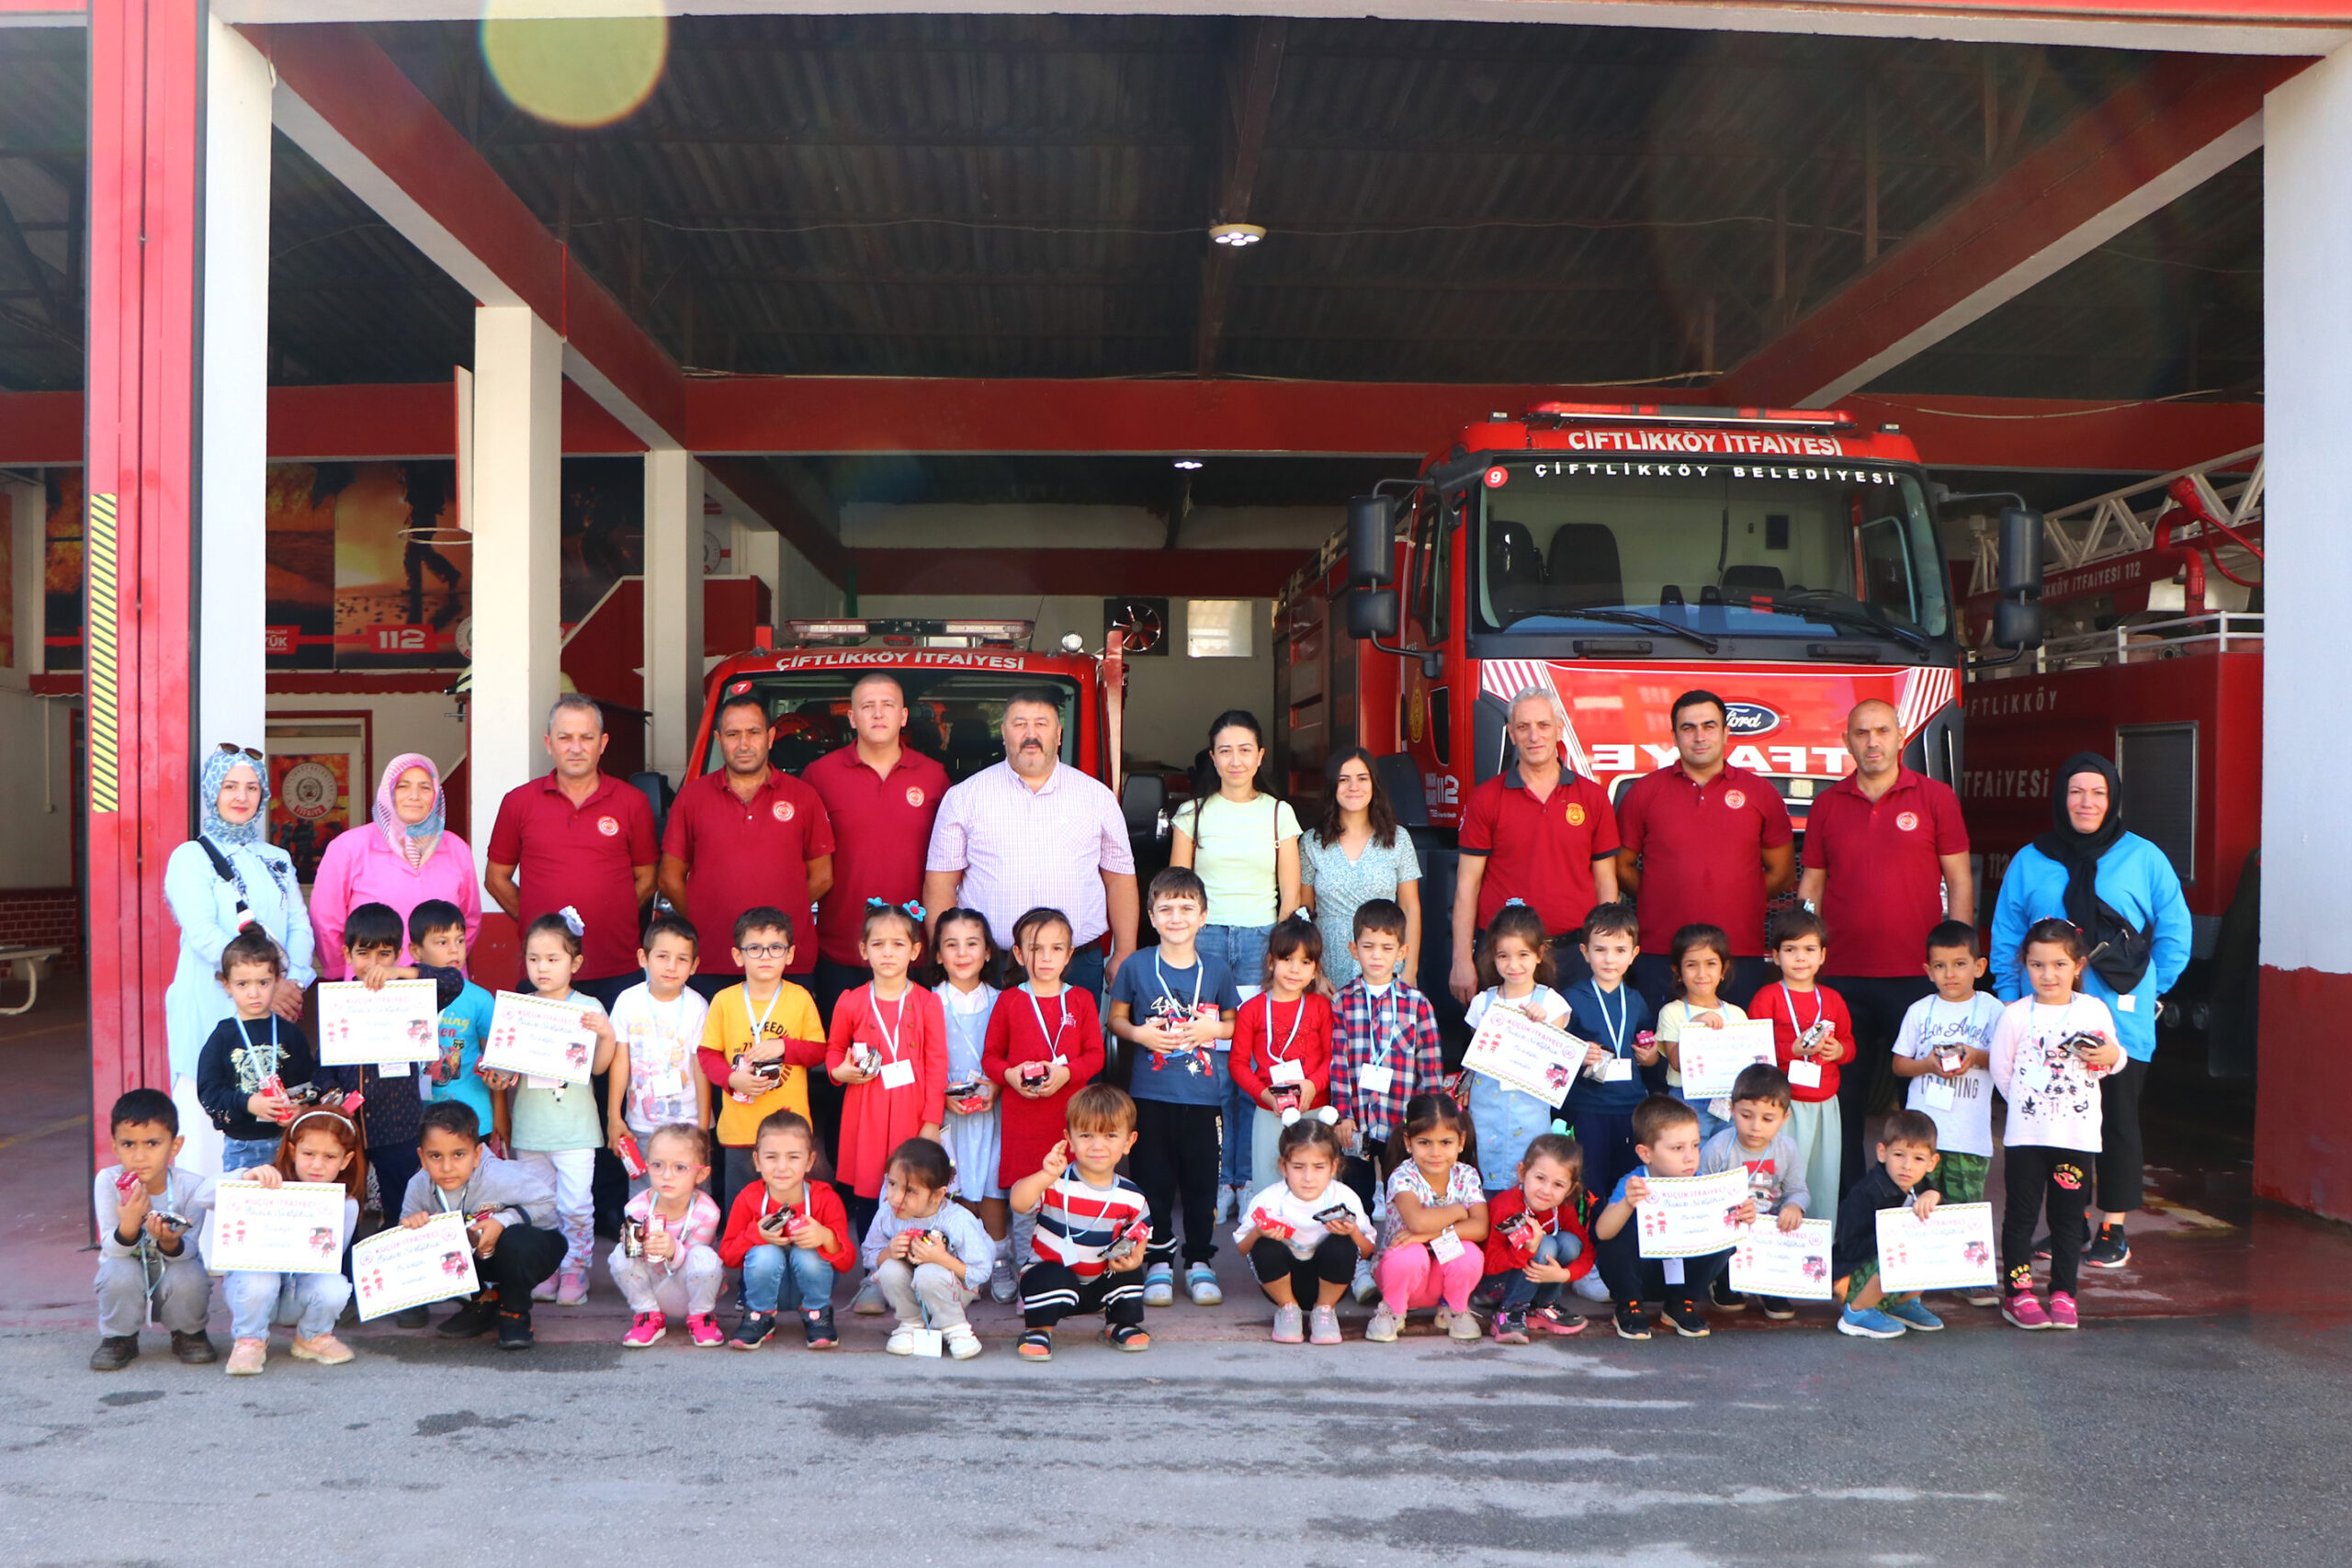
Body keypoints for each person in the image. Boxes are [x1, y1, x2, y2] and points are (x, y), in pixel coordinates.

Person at [1989, 752, 2190, 1270]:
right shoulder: (2030, 860)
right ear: (2061, 796)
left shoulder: (2144, 857)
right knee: (2057, 1126)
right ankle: (2068, 1223)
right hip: (2045, 1020)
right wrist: (2016, 1002)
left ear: (2113, 798)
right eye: (2077, 791)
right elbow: (2009, 933)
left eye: (2098, 792)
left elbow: (2174, 930)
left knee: (2118, 1121)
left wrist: (2150, 988)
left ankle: (2113, 1227)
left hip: (2119, 1021)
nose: (2087, 802)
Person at [1797, 699, 1973, 1197]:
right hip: (1842, 978)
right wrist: (1804, 955)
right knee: (1842, 1100)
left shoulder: (1936, 797)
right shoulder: (1828, 804)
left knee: (1916, 1103)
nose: (1871, 742)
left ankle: (1918, 1207)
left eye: (1881, 731)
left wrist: (1955, 962)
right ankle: (1850, 1203)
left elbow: (1959, 879)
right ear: (1847, 741)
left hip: (1915, 978)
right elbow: (1811, 884)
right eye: (1860, 733)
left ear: (1900, 737)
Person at [802, 673, 951, 1166]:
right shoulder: (819, 775)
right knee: (846, 1069)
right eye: (868, 705)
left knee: (911, 1069)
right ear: (852, 716)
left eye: (889, 705)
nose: (879, 713)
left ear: (905, 716)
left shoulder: (933, 778)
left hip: (913, 954)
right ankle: (849, 1175)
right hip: (842, 948)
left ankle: (908, 1171)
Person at [922, 688, 1139, 1000]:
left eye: (1042, 723)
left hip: (1076, 965)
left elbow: (1119, 880)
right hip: (991, 966)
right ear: (1004, 733)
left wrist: (1125, 952)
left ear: (1059, 734)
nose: (1031, 734)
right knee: (992, 1051)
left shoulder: (1097, 798)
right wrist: (945, 961)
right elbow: (940, 884)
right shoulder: (965, 797)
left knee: (1075, 1051)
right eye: (1020, 723)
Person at [164, 744, 315, 1183]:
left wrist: (292, 983)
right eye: (230, 786)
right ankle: (203, 1245)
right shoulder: (190, 857)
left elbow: (298, 926)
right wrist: (265, 978)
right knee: (208, 1126)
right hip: (212, 1004)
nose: (241, 796)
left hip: (270, 1006)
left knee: (266, 1133)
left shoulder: (277, 858)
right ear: (212, 793)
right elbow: (204, 934)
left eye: (252, 787)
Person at [1172, 711, 1299, 1207]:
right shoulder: (1193, 813)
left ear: (1260, 755)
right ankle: (1217, 1178)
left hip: (1259, 943)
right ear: (1212, 756)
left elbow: (1289, 895)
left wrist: (1276, 949)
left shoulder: (1277, 813)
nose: (1235, 760)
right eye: (1225, 750)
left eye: (1245, 749)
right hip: (1203, 944)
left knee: (1252, 1063)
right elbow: (1176, 892)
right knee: (1209, 1066)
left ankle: (1246, 1179)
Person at [1105, 866, 1239, 1310]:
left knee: (1202, 1183)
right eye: (1166, 909)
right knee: (1152, 1182)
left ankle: (1200, 1259)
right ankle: (1158, 1259)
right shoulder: (1137, 965)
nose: (1176, 917)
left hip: (1203, 1100)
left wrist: (1211, 1028)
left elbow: (1236, 1024)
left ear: (1203, 916)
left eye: (1186, 908)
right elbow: (1117, 1019)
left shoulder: (1217, 970)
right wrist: (1141, 1035)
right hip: (1151, 1095)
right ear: (1151, 916)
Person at [1615, 690, 1795, 1010]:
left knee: (1737, 1054)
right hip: (1662, 953)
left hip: (1737, 953)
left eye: (1709, 726)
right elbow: (1621, 866)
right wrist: (1660, 893)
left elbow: (1782, 873)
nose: (1699, 736)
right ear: (1674, 735)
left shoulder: (1760, 793)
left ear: (1726, 732)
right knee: (1660, 1053)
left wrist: (1740, 894)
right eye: (1688, 728)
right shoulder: (1645, 792)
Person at [1991, 919, 2125, 1332]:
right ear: (2024, 966)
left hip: (2076, 1138)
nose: (2047, 975)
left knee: (2069, 1219)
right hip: (2027, 1138)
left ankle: (2065, 1293)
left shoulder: (2093, 1010)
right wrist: (2034, 1110)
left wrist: (2107, 1054)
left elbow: (2115, 1060)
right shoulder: (2014, 1015)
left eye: (2058, 965)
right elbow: (2002, 1072)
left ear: (2078, 966)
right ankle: (2018, 1294)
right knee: (2021, 1216)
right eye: (2036, 965)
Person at [484, 694, 659, 1009]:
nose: (576, 748)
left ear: (603, 743)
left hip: (617, 968)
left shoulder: (632, 802)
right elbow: (496, 879)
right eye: (565, 738)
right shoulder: (519, 803)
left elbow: (648, 878)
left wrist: (612, 913)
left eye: (586, 737)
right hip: (544, 970)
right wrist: (537, 925)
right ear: (549, 743)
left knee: (616, 1059)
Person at [660, 689, 835, 998]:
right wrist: (704, 919)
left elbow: (822, 877)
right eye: (733, 734)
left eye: (753, 733)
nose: (743, 744)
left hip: (786, 962)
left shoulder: (803, 796)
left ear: (769, 737)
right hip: (713, 961)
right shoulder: (691, 798)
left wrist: (782, 915)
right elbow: (670, 878)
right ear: (718, 739)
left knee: (787, 1047)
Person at [1451, 688, 1620, 1000]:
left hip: (1575, 955)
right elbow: (1467, 885)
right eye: (1523, 727)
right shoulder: (1487, 799)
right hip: (1505, 957)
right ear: (1511, 734)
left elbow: (1605, 882)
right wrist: (1461, 959)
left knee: (1584, 1047)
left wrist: (1605, 952)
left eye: (1543, 725)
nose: (1534, 736)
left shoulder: (1592, 797)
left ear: (1559, 729)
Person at [319, 901, 458, 1251]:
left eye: (385, 954)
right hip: (349, 1129)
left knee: (404, 1209)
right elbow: (322, 1063)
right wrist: (330, 1090)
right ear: (347, 954)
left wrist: (405, 974)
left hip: (398, 1126)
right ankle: (347, 1284)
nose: (374, 964)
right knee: (344, 1209)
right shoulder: (338, 1000)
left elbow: (453, 982)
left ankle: (405, 1290)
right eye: (363, 953)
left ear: (398, 954)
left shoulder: (414, 995)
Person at [496, 911, 620, 1306]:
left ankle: (575, 1269)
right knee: (541, 1205)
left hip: (575, 1129)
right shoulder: (520, 1008)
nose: (542, 967)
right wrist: (497, 1068)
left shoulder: (588, 1007)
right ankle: (547, 1268)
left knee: (577, 1205)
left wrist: (605, 1034)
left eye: (553, 959)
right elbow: (506, 1068)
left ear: (575, 963)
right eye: (534, 959)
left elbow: (599, 1068)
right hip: (531, 1127)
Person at [828, 902, 949, 1303]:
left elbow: (937, 1064)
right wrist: (840, 1071)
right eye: (878, 943)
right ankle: (873, 1273)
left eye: (898, 944)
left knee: (912, 1190)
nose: (888, 952)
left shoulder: (928, 1003)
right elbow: (834, 1052)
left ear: (915, 951)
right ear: (863, 950)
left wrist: (932, 1120)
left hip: (913, 1112)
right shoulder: (850, 1001)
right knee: (869, 1193)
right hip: (867, 1110)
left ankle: (915, 1270)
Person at [1327, 897, 1445, 1303]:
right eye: (1368, 946)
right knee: (1356, 1195)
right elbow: (1338, 1063)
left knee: (1401, 1197)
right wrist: (1343, 1116)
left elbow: (1429, 1070)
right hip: (1358, 1124)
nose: (1377, 956)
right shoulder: (1342, 1002)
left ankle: (1395, 1261)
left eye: (1387, 947)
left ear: (1403, 952)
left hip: (1401, 1124)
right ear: (1352, 949)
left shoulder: (1417, 1005)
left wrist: (1426, 1126)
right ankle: (1357, 1265)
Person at [1890, 920, 2004, 1309]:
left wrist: (1975, 1056)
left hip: (1969, 1132)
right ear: (1927, 971)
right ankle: (1913, 1273)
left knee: (1965, 1204)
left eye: (1959, 964)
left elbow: (2007, 1060)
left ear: (1980, 966)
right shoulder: (1919, 1010)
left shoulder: (1993, 1009)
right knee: (1914, 1200)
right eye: (1939, 966)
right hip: (1922, 1133)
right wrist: (1927, 1065)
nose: (1949, 974)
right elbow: (1899, 1065)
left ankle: (1969, 1276)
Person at [984, 907, 1107, 1252]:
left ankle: (1073, 1269)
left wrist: (1066, 1073)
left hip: (1070, 1119)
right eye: (1036, 949)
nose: (1046, 957)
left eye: (1056, 948)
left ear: (1070, 954)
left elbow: (1096, 1055)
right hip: (1023, 1122)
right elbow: (991, 1057)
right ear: (1020, 954)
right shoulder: (1009, 1001)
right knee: (1027, 1205)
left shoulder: (1081, 1000)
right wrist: (1009, 1075)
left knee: (1072, 1200)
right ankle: (1027, 1274)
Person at [399, 1100, 566, 1350]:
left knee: (518, 1240)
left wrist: (503, 1220)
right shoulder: (418, 1185)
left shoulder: (499, 1176)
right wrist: (414, 1225)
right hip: (472, 1258)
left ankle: (515, 1312)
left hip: (527, 1252)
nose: (447, 1167)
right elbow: (406, 1239)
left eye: (459, 1155)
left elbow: (548, 1201)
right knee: (415, 1241)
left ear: (477, 1154)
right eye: (435, 1156)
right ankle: (482, 1301)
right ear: (422, 1157)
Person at [695, 908, 830, 1214]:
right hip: (741, 1127)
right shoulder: (725, 1001)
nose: (765, 956)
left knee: (791, 1208)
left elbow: (818, 1051)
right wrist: (732, 1079)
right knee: (742, 1210)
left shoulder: (800, 998)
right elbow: (708, 1054)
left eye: (775, 948)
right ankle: (743, 1262)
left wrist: (784, 1046)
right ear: (738, 955)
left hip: (789, 1129)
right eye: (754, 948)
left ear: (790, 954)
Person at [1010, 1083, 1154, 1361]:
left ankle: (1120, 1323)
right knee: (1045, 1276)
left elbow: (1140, 1236)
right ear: (1069, 1139)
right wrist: (1044, 1174)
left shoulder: (1132, 1195)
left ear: (1128, 1142)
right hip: (1055, 1280)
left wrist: (1134, 1260)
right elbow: (1018, 1202)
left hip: (1102, 1280)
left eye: (1110, 1135)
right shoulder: (1055, 1182)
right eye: (1086, 1135)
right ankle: (1039, 1330)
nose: (1097, 1145)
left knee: (1132, 1274)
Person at [309, 752, 481, 979]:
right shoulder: (348, 847)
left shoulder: (457, 849)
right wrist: (344, 972)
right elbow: (326, 920)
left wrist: (447, 966)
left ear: (436, 795)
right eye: (403, 786)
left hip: (442, 987)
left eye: (425, 787)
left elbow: (469, 919)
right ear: (388, 791)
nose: (414, 796)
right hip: (370, 985)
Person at [220, 1109, 363, 1375]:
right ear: (293, 1151)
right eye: (309, 1154)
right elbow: (203, 1196)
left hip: (298, 1294)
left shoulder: (346, 1205)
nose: (317, 1165)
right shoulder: (266, 1183)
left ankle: (312, 1336)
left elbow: (326, 1261)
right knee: (261, 1279)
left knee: (336, 1286)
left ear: (346, 1160)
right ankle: (249, 1341)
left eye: (330, 1157)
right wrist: (243, 1178)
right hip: (251, 1292)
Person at [1590, 1094, 1736, 1341]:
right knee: (1616, 1236)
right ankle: (1629, 1305)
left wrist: (1740, 1217)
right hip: (1641, 1276)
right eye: (1677, 1148)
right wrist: (1627, 1203)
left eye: (1695, 1145)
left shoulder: (1704, 1184)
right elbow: (1602, 1233)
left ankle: (1681, 1304)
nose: (1690, 1156)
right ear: (1645, 1153)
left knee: (1725, 1236)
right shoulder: (1635, 1182)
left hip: (1682, 1275)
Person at [90, 1089, 216, 1371]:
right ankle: (119, 1337)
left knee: (192, 1273)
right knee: (116, 1270)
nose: (139, 1156)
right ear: (114, 1146)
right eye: (128, 1144)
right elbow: (110, 1247)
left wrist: (171, 1243)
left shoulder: (191, 1186)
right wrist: (129, 1225)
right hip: (128, 1281)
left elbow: (192, 1250)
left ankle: (188, 1333)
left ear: (175, 1146)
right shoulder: (108, 1181)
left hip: (173, 1277)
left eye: (152, 1143)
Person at [1461, 903, 1573, 1207]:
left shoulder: (1551, 1002)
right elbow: (1479, 1057)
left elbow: (1559, 1061)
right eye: (1503, 956)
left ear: (1539, 954)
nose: (1514, 965)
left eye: (1523, 955)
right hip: (1487, 1112)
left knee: (1531, 1178)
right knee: (1485, 1180)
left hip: (1530, 1112)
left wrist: (1545, 1024)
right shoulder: (1482, 1003)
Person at [1559, 902, 1667, 1213]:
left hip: (1631, 1111)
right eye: (1600, 949)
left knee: (1627, 1186)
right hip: (1588, 1110)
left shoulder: (1636, 1001)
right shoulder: (1569, 1000)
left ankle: (1621, 1250)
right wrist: (1577, 1055)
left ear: (1634, 954)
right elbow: (1554, 1059)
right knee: (1589, 1188)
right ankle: (1590, 1251)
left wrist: (1651, 1060)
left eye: (1620, 950)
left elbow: (1649, 1054)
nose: (1609, 959)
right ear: (1583, 951)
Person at [933, 908, 1016, 1303]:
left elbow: (1015, 1056)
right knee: (959, 1186)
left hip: (993, 1113)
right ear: (937, 955)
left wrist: (996, 1086)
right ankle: (965, 1260)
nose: (962, 953)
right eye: (951, 945)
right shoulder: (928, 1003)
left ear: (987, 953)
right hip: (948, 1117)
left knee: (993, 1187)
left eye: (972, 944)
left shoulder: (1005, 1001)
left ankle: (1000, 1259)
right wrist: (940, 1096)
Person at [718, 1110, 854, 1350]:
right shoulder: (749, 1199)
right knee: (765, 1252)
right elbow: (727, 1256)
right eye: (771, 1157)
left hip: (812, 1287)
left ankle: (818, 1314)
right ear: (758, 1161)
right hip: (768, 1290)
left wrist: (824, 1237)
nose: (782, 1167)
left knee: (809, 1252)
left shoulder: (825, 1199)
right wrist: (756, 1235)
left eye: (793, 1157)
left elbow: (847, 1262)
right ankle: (759, 1316)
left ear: (810, 1161)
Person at [1234, 1116, 1374, 1346]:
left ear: (1334, 1167)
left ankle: (1325, 1310)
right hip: (1283, 1283)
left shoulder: (1344, 1196)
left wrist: (1353, 1232)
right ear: (1283, 1167)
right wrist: (1259, 1233)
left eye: (1319, 1167)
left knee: (1342, 1244)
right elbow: (1242, 1247)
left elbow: (1367, 1250)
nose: (1308, 1177)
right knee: (1265, 1246)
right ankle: (1288, 1309)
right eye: (1298, 1167)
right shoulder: (1269, 1198)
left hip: (1330, 1282)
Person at [1750, 909, 1853, 1213]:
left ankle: (1818, 1242)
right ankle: (1774, 1239)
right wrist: (1792, 1049)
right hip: (1783, 1105)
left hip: (1824, 1105)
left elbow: (1850, 1044)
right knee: (1778, 1178)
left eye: (1809, 949)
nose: (1800, 958)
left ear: (1822, 955)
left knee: (1822, 1176)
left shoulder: (1832, 999)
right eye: (1790, 949)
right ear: (1775, 956)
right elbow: (1755, 1050)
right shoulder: (1766, 997)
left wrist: (1840, 1051)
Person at [1227, 915, 1337, 1197]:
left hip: (1314, 1108)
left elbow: (1332, 1058)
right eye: (1287, 959)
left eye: (1305, 962)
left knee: (1314, 1185)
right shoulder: (1251, 1009)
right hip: (1269, 1109)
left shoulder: (1321, 1007)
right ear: (1270, 962)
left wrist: (1312, 1085)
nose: (1294, 969)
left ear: (1315, 970)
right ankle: (1271, 1238)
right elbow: (1238, 1064)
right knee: (1269, 1183)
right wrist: (1264, 1096)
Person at [1365, 1093, 1487, 1344]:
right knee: (1412, 1253)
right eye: (1424, 1142)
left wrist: (1429, 1235)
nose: (1435, 1152)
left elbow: (1480, 1227)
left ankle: (1453, 1309)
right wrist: (1457, 1212)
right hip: (1400, 1276)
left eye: (1445, 1142)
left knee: (1469, 1253)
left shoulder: (1466, 1175)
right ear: (1408, 1143)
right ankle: (1393, 1311)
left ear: (1461, 1142)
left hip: (1442, 1280)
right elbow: (1417, 1221)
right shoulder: (1403, 1176)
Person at [195, 929, 321, 1173]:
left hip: (289, 1143)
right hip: (241, 1147)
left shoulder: (290, 1033)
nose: (254, 993)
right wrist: (248, 1103)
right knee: (244, 1211)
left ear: (277, 980)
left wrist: (301, 1108)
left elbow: (308, 1085)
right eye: (243, 984)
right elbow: (209, 1093)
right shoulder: (222, 1038)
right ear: (227, 985)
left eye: (263, 982)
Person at [863, 1137, 997, 1361]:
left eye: (910, 1191)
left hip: (952, 1288)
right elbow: (868, 1254)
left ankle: (956, 1327)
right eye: (892, 1184)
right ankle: (911, 1322)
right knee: (889, 1269)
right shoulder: (888, 1212)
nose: (896, 1197)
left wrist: (941, 1258)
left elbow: (981, 1271)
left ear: (937, 1195)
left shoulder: (957, 1221)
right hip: (911, 1287)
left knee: (928, 1272)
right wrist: (888, 1253)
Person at [605, 915, 712, 1193]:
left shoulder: (698, 1006)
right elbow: (620, 1061)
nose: (671, 967)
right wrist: (614, 1117)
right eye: (662, 956)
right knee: (644, 1194)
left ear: (695, 965)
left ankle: (693, 1239)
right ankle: (642, 1238)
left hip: (687, 1123)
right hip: (641, 1123)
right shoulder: (628, 1001)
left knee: (692, 1192)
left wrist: (702, 1126)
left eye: (682, 959)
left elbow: (701, 1066)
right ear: (643, 957)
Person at [1300, 746, 1422, 989]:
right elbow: (1304, 914)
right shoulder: (1311, 842)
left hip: (1385, 964)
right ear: (1332, 786)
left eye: (1362, 778)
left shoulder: (1398, 839)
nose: (1353, 787)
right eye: (1343, 780)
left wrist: (1410, 969)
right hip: (1329, 966)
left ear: (1374, 784)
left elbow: (1410, 907)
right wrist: (1316, 973)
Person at [1699, 1065, 1810, 1319]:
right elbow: (1703, 1194)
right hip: (1731, 1226)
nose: (1755, 1127)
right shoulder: (1717, 1148)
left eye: (1767, 1119)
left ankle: (1772, 1286)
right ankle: (1722, 1279)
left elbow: (1799, 1190)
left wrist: (1795, 1206)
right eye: (1746, 1115)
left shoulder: (1788, 1149)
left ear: (1785, 1118)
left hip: (1770, 1229)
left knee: (1791, 1222)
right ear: (1731, 1109)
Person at [1831, 1110, 1948, 1339]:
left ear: (1932, 1162)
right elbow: (1848, 1245)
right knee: (1897, 1252)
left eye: (1918, 1159)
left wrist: (1935, 1196)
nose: (1907, 1166)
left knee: (1934, 1243)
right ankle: (1857, 1312)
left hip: (1890, 1272)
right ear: (1882, 1153)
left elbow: (1947, 1225)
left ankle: (1902, 1303)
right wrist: (1891, 1235)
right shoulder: (1865, 1194)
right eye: (1898, 1155)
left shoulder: (1922, 1186)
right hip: (1852, 1274)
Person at [611, 1123, 725, 1348]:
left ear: (701, 1173)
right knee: (619, 1255)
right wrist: (634, 1244)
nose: (667, 1175)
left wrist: (673, 1250)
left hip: (690, 1289)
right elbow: (631, 1259)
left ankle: (701, 1316)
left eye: (680, 1167)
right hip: (652, 1286)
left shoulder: (708, 1212)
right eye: (658, 1165)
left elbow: (698, 1259)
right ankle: (647, 1315)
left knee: (705, 1257)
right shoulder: (636, 1208)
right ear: (647, 1166)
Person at [1479, 1130, 1592, 1344]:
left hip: (1535, 1275)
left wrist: (1564, 1275)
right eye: (1540, 1178)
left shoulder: (1563, 1208)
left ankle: (1543, 1306)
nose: (1546, 1191)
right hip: (1496, 1284)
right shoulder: (1506, 1207)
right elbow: (1489, 1264)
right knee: (1546, 1244)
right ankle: (1509, 1311)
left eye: (1558, 1184)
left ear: (1570, 1189)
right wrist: (1527, 1251)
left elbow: (1587, 1251)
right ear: (1522, 1173)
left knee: (1570, 1243)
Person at [412, 901, 503, 1148]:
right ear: (416, 951)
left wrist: (501, 1115)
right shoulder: (405, 998)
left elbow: (498, 1062)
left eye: (460, 941)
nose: (454, 950)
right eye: (442, 942)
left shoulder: (481, 999)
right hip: (418, 1120)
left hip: (475, 1120)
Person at [1653, 923, 1747, 1145]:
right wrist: (1694, 1027)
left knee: (1728, 1155)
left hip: (1730, 1100)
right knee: (1692, 1158)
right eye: (1691, 965)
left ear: (1724, 969)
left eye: (1711, 964)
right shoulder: (1672, 1012)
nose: (1702, 973)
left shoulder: (1737, 1014)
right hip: (1687, 1101)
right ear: (1678, 971)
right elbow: (1676, 1062)